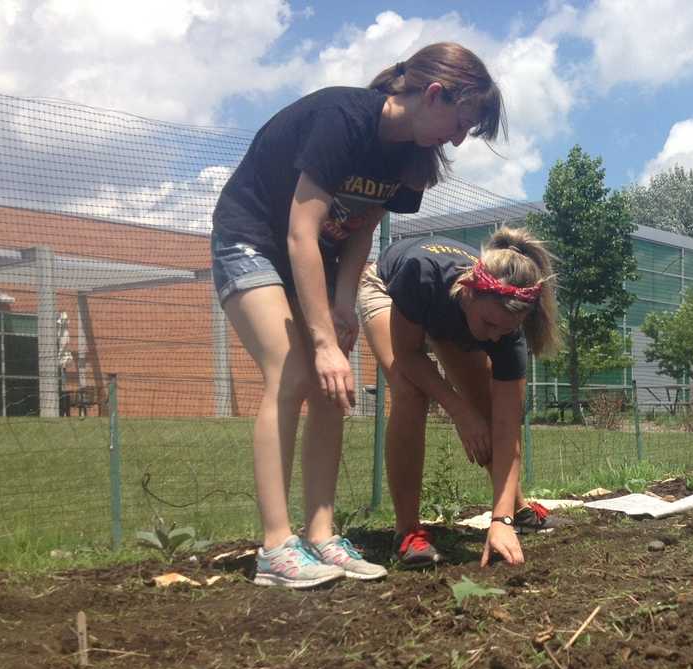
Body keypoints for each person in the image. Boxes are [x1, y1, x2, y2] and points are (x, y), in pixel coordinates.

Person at [209, 42, 506, 588]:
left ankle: (321, 536)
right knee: (296, 369)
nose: (459, 139)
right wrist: (321, 340)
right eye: (460, 123)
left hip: (319, 260)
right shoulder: (341, 120)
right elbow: (301, 231)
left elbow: (359, 231)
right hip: (252, 241)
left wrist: (342, 309)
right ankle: (275, 547)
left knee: (333, 388)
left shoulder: (408, 159)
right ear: (434, 93)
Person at [359, 227, 559, 568]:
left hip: (450, 316)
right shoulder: (421, 273)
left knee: (486, 406)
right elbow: (408, 355)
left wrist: (499, 522)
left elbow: (506, 428)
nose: (495, 337)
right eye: (490, 324)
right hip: (390, 289)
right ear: (469, 292)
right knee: (410, 391)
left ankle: (513, 510)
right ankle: (407, 532)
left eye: (505, 331)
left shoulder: (506, 333)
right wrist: (458, 411)